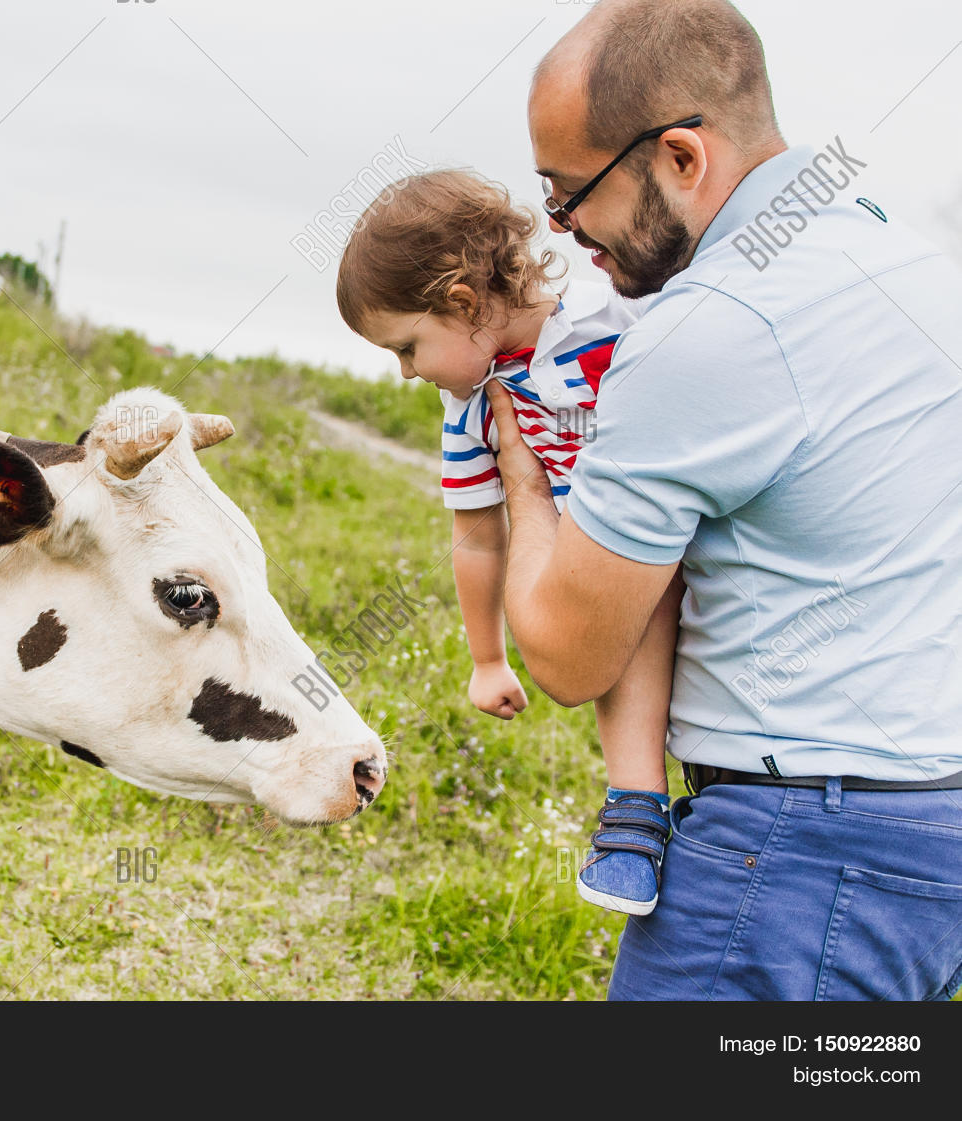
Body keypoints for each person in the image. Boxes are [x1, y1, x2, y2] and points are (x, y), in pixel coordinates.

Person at [489, 0, 962, 998]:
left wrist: (525, 485)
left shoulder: (713, 327)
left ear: (680, 158)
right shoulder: (924, 274)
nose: (562, 229)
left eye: (570, 193)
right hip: (932, 842)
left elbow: (569, 655)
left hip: (795, 859)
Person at [336, 169, 683, 915]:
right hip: (613, 562)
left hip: (702, 534)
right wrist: (487, 658)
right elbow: (477, 539)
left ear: (463, 303)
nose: (406, 373)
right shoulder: (471, 411)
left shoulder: (620, 313)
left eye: (408, 347)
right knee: (627, 612)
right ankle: (635, 810)